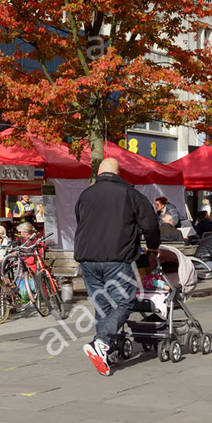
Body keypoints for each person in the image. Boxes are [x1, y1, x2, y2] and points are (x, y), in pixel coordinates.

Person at [75, 158, 159, 376]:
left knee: (102, 304)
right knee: (124, 301)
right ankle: (101, 343)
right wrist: (152, 247)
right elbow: (150, 224)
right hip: (117, 257)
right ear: (118, 173)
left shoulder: (86, 194)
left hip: (87, 258)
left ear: (100, 172)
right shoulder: (130, 193)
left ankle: (106, 351)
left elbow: (80, 220)